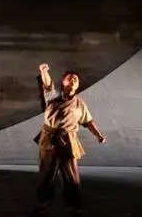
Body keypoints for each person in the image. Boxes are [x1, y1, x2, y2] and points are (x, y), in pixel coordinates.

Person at [33, 63, 106, 216]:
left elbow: (88, 121)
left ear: (78, 85)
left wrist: (98, 135)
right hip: (49, 138)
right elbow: (47, 85)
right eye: (69, 78)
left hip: (68, 140)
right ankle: (42, 203)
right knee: (46, 173)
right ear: (63, 82)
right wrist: (43, 71)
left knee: (71, 174)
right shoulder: (53, 97)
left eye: (75, 79)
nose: (72, 81)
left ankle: (74, 205)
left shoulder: (80, 103)